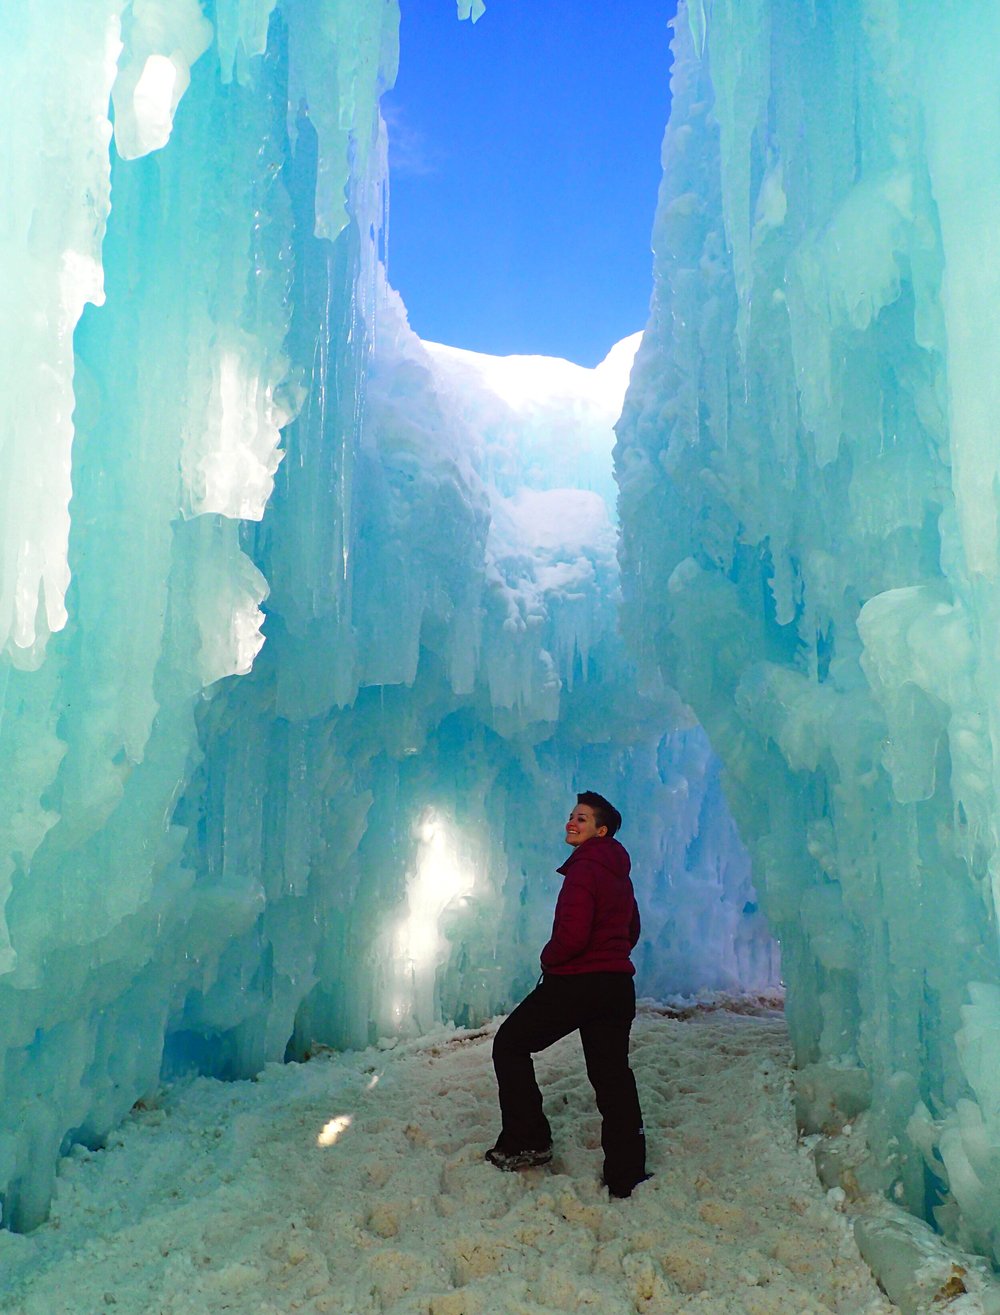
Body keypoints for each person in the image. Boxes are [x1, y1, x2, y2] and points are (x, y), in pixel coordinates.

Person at [485, 791, 647, 1198]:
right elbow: (632, 931)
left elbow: (572, 936)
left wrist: (549, 957)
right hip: (616, 985)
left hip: (577, 984)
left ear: (601, 830)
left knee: (510, 1045)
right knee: (613, 1077)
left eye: (582, 818)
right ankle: (626, 1173)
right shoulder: (618, 874)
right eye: (571, 816)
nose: (571, 822)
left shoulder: (584, 868)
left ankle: (527, 1141)